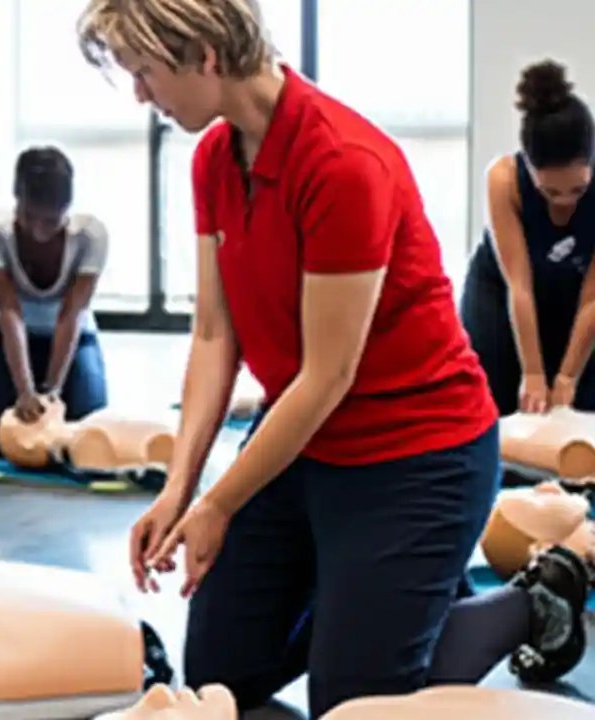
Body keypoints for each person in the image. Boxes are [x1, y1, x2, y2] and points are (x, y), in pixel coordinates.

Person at [76, 1, 590, 718]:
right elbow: (214, 336)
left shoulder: (344, 162)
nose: (140, 96)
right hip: (305, 445)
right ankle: (392, 590)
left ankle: (531, 602)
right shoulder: (214, 159)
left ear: (205, 55)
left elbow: (328, 374)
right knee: (220, 677)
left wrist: (219, 505)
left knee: (353, 702)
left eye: (144, 73)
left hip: (417, 454)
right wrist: (179, 489)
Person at [460, 59, 595, 415]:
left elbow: (592, 300)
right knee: (498, 397)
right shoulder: (503, 180)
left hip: (577, 287)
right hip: (502, 289)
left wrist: (566, 377)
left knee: (579, 396)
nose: (565, 203)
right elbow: (519, 286)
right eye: (551, 193)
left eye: (578, 190)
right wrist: (533, 373)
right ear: (531, 169)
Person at [0, 146, 110, 458]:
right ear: (16, 201)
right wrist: (24, 390)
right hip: (5, 337)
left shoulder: (91, 235)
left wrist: (51, 391)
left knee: (85, 438)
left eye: (51, 220)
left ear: (67, 209)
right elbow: (9, 311)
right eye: (29, 217)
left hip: (73, 339)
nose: (39, 231)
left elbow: (71, 314)